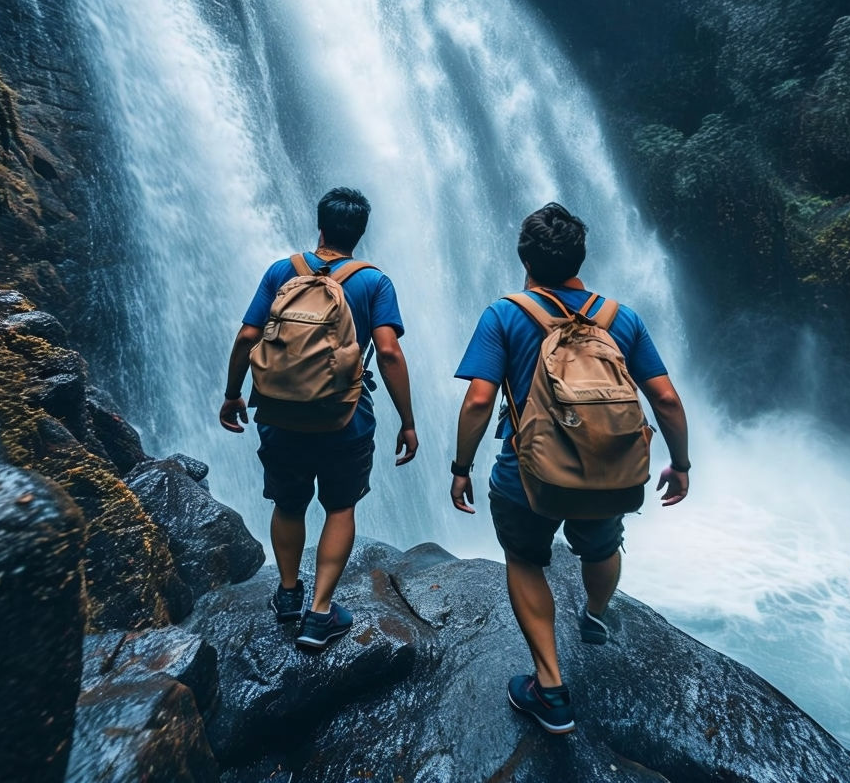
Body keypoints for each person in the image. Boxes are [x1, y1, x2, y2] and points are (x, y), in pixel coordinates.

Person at [450, 202, 689, 733]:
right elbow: (666, 399)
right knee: (602, 546)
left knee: (525, 558)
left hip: (527, 472)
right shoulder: (621, 318)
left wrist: (461, 466)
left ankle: (550, 688)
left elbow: (479, 400)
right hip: (607, 469)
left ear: (525, 259)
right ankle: (595, 614)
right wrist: (680, 463)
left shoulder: (504, 314)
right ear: (581, 257)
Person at [220, 186, 419, 648]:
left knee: (288, 504)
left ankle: (288, 593)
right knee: (340, 507)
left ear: (320, 227)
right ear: (360, 233)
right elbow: (388, 352)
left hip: (278, 411)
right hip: (344, 414)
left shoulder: (281, 271)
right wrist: (407, 421)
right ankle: (320, 613)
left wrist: (233, 394)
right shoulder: (374, 282)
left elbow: (248, 335)